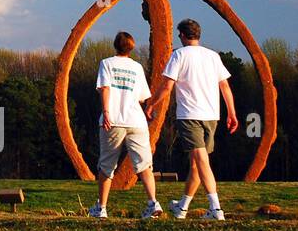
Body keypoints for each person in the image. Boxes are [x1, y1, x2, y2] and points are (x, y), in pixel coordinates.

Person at [146, 18, 238, 220]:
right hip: (212, 116)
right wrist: (231, 113)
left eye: (179, 35)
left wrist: (152, 103)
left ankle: (216, 209)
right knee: (197, 163)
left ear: (183, 35)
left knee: (201, 161)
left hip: (190, 116)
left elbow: (168, 87)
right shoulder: (213, 56)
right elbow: (224, 86)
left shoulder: (179, 55)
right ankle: (183, 207)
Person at [89, 31, 162, 218]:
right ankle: (153, 203)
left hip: (113, 120)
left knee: (106, 165)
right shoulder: (137, 67)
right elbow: (142, 97)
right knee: (144, 164)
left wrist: (106, 112)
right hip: (136, 121)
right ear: (131, 47)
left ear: (115, 45)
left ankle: (102, 208)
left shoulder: (106, 63)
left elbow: (105, 88)